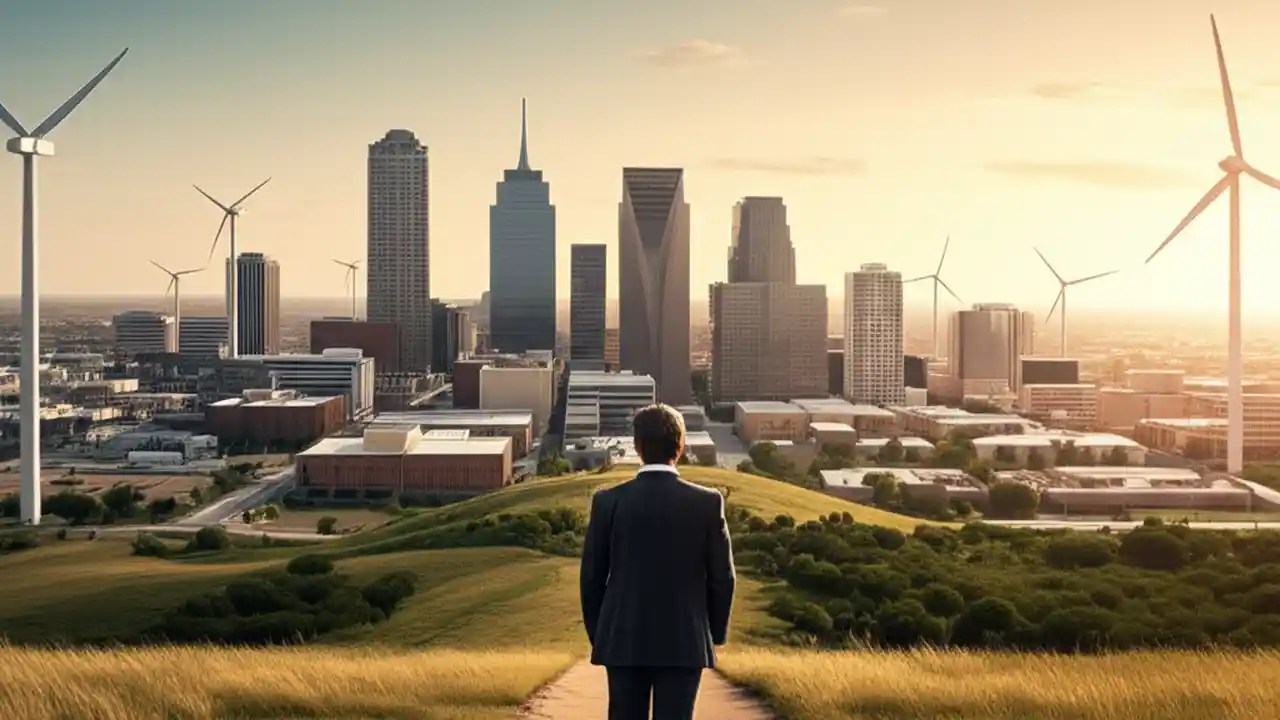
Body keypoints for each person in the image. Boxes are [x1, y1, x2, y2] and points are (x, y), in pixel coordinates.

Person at [580, 403, 736, 720]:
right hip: (685, 640)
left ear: (637, 446)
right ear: (680, 446)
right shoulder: (707, 502)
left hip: (622, 638)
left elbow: (592, 577)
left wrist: (602, 634)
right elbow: (723, 578)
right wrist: (713, 633)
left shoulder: (607, 501)